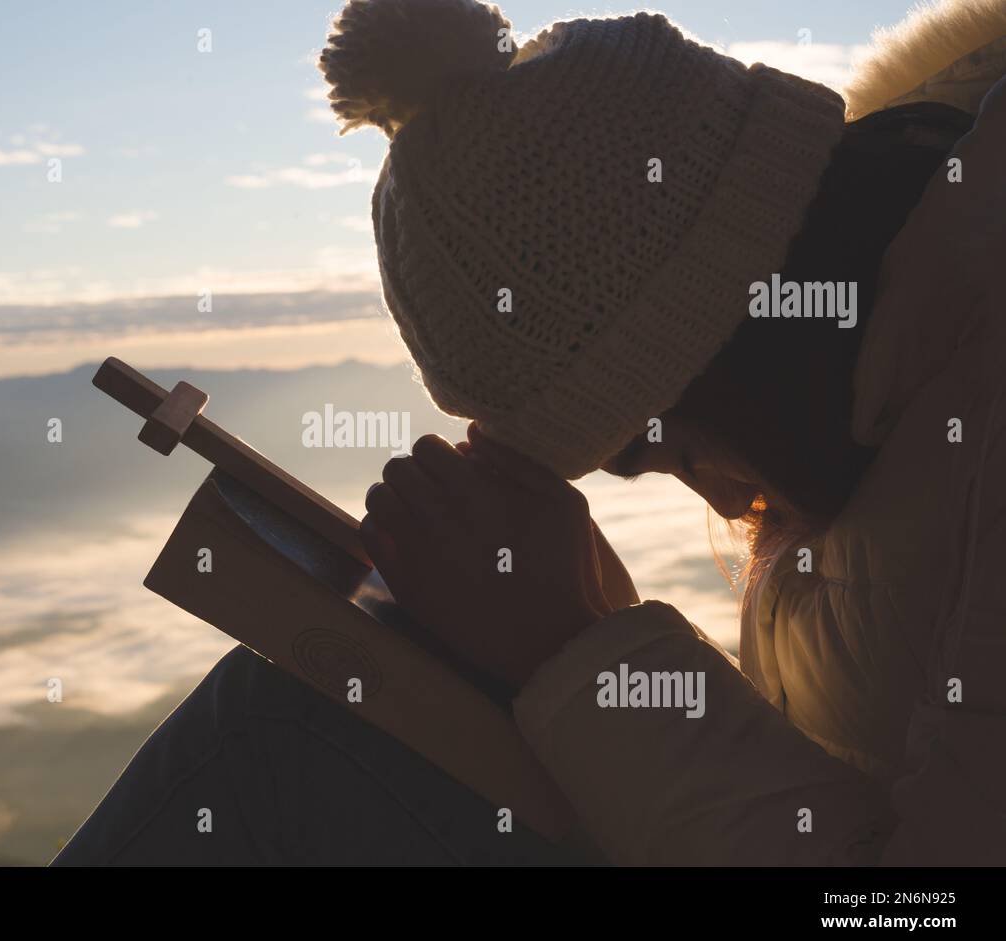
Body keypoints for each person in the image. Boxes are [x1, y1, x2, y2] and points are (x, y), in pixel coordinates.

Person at [54, 0, 1006, 865]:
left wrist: (573, 656)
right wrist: (591, 632)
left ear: (742, 344)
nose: (717, 496)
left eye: (662, 443)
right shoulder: (889, 400)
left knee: (275, 740)